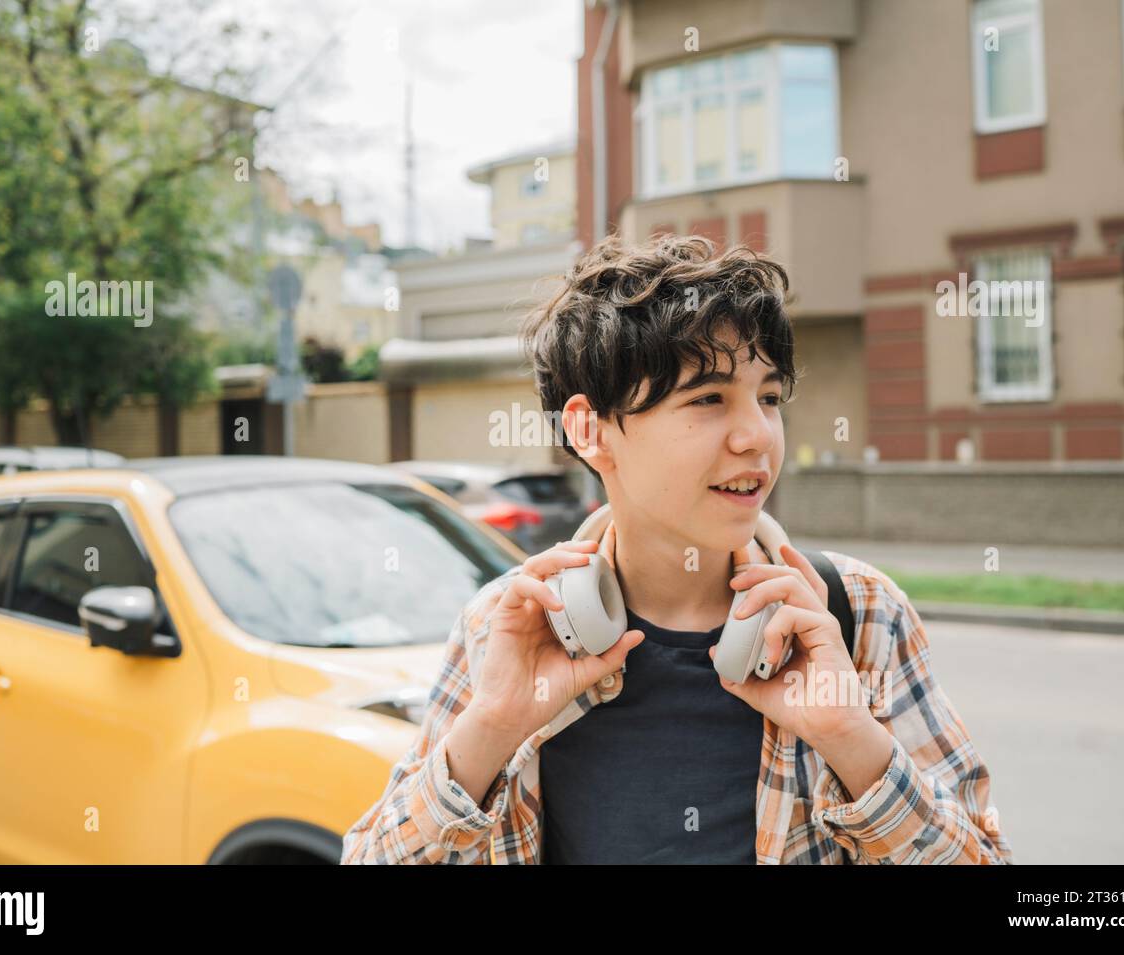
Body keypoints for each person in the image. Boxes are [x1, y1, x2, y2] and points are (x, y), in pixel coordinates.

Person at [342, 233, 1015, 864]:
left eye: (770, 395)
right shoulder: (509, 625)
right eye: (709, 398)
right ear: (590, 429)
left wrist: (852, 738)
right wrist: (489, 730)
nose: (757, 435)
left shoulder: (859, 614)